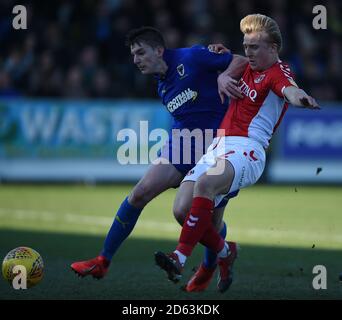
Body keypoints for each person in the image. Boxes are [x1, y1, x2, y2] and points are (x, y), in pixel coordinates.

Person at [71, 26, 248, 291]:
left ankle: (212, 265)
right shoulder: (162, 84)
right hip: (182, 145)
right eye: (133, 55)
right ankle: (103, 260)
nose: (136, 60)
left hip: (218, 147)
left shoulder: (193, 57)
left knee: (205, 220)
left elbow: (241, 61)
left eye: (141, 52)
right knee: (140, 193)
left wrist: (224, 76)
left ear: (158, 50)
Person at [154, 14, 320, 293]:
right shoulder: (244, 67)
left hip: (248, 150)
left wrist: (301, 98)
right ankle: (224, 252)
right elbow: (227, 60)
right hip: (218, 147)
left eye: (255, 47)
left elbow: (290, 89)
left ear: (273, 49)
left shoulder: (278, 72)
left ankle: (179, 257)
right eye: (246, 45)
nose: (249, 52)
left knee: (206, 184)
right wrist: (222, 73)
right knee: (182, 210)